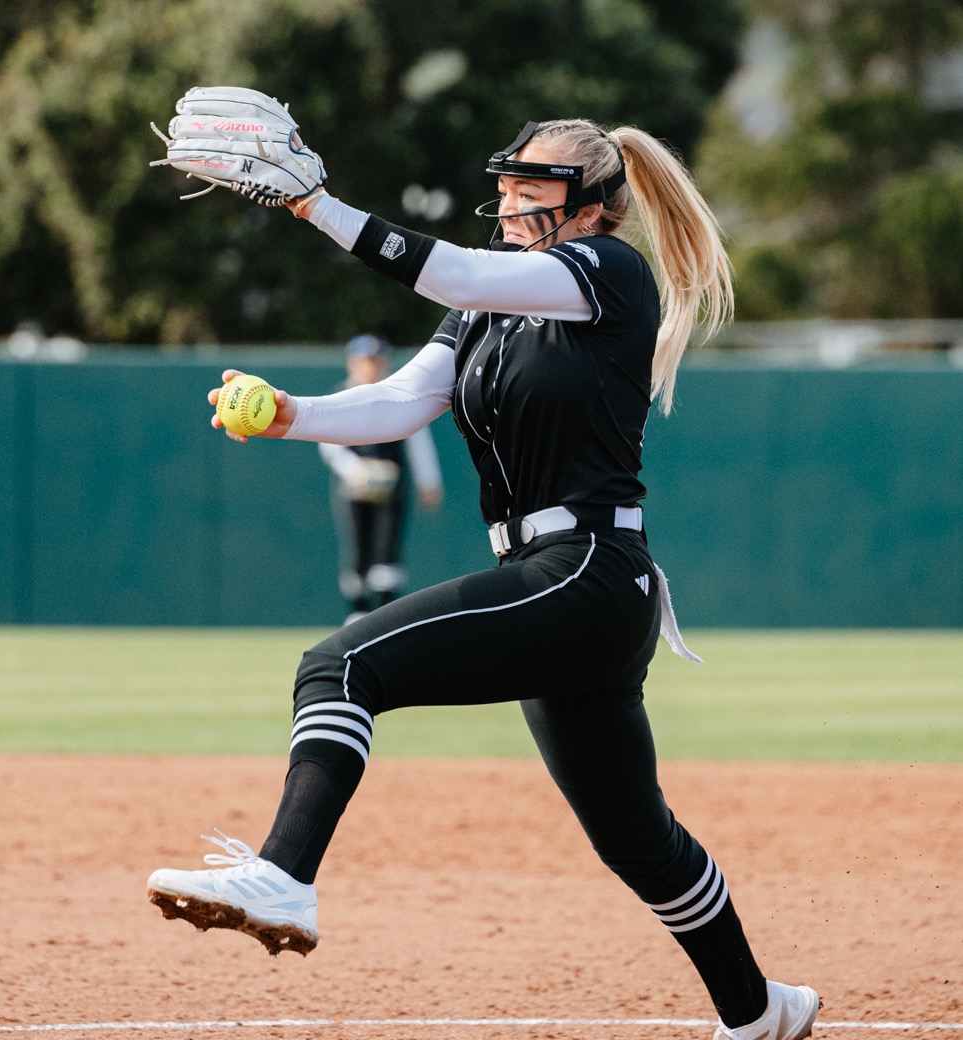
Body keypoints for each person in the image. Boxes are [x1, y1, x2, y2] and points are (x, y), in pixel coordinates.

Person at [147, 116, 820, 1040]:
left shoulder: (606, 271)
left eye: (528, 187)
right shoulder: (486, 302)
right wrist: (289, 415)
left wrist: (316, 205)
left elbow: (453, 268)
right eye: (501, 184)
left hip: (584, 567)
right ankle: (763, 1011)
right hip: (560, 581)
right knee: (635, 838)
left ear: (587, 203)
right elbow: (400, 402)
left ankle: (285, 876)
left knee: (340, 666)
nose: (505, 200)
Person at [319, 334, 443, 623]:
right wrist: (355, 469)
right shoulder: (341, 396)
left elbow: (417, 438)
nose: (371, 366)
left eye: (376, 360)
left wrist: (428, 481)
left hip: (392, 488)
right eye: (365, 360)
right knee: (357, 551)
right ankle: (357, 616)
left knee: (388, 550)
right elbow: (328, 442)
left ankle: (384, 618)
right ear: (353, 362)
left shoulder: (395, 393)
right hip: (354, 489)